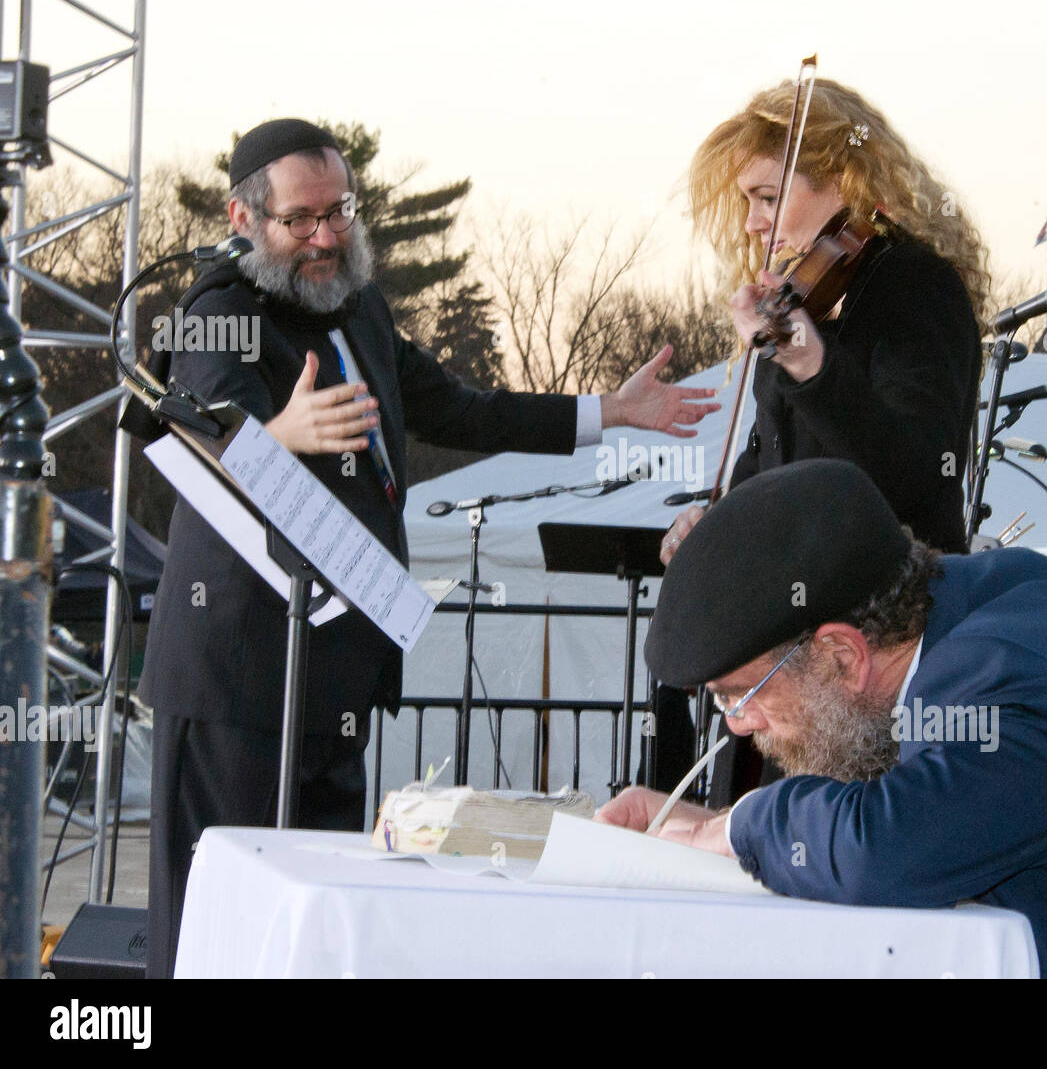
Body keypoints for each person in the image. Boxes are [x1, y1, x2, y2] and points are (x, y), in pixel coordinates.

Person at [140, 119, 719, 978]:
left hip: (337, 670)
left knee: (313, 921)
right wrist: (279, 432)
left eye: (341, 211)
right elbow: (196, 425)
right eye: (302, 219)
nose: (328, 236)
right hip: (239, 679)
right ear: (242, 217)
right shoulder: (215, 311)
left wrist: (610, 412)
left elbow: (464, 408)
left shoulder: (359, 306)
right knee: (218, 924)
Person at [601, 460, 1047, 979]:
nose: (737, 726)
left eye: (739, 694)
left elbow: (888, 848)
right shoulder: (973, 604)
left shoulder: (1006, 675)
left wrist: (746, 824)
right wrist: (704, 830)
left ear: (842, 655)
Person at [651, 78, 987, 800]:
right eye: (747, 201)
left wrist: (812, 363)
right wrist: (720, 521)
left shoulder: (911, 287)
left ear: (842, 179)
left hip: (877, 654)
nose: (751, 223)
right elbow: (774, 462)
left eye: (768, 198)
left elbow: (922, 468)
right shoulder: (804, 306)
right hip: (800, 655)